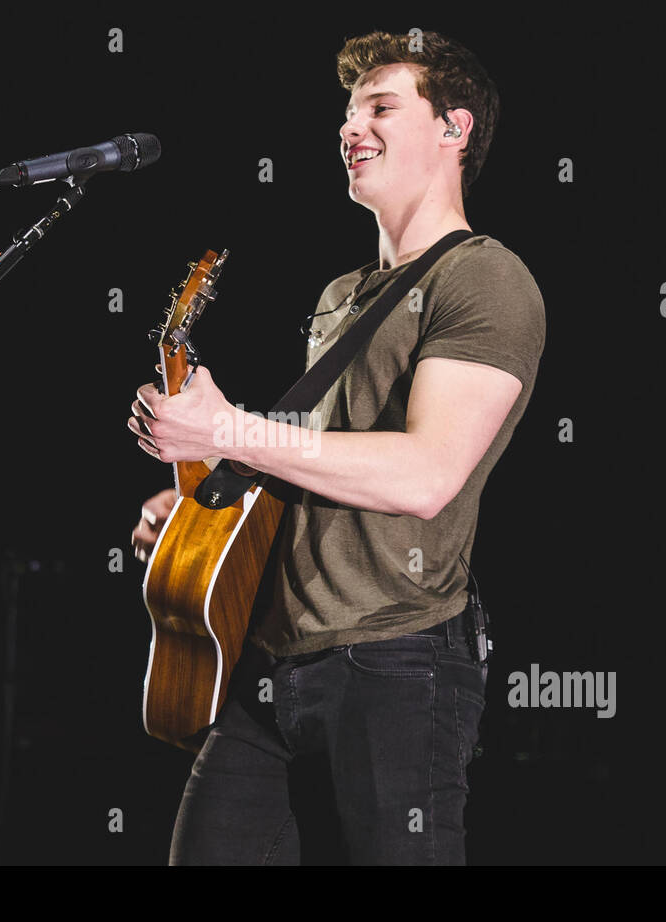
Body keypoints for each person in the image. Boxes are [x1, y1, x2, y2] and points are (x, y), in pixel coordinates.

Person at [127, 28, 545, 864]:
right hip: (276, 663)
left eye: (381, 107)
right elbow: (320, 460)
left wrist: (227, 428)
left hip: (397, 662)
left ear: (454, 129)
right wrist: (207, 509)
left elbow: (426, 475)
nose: (352, 128)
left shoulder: (484, 277)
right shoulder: (341, 295)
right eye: (348, 114)